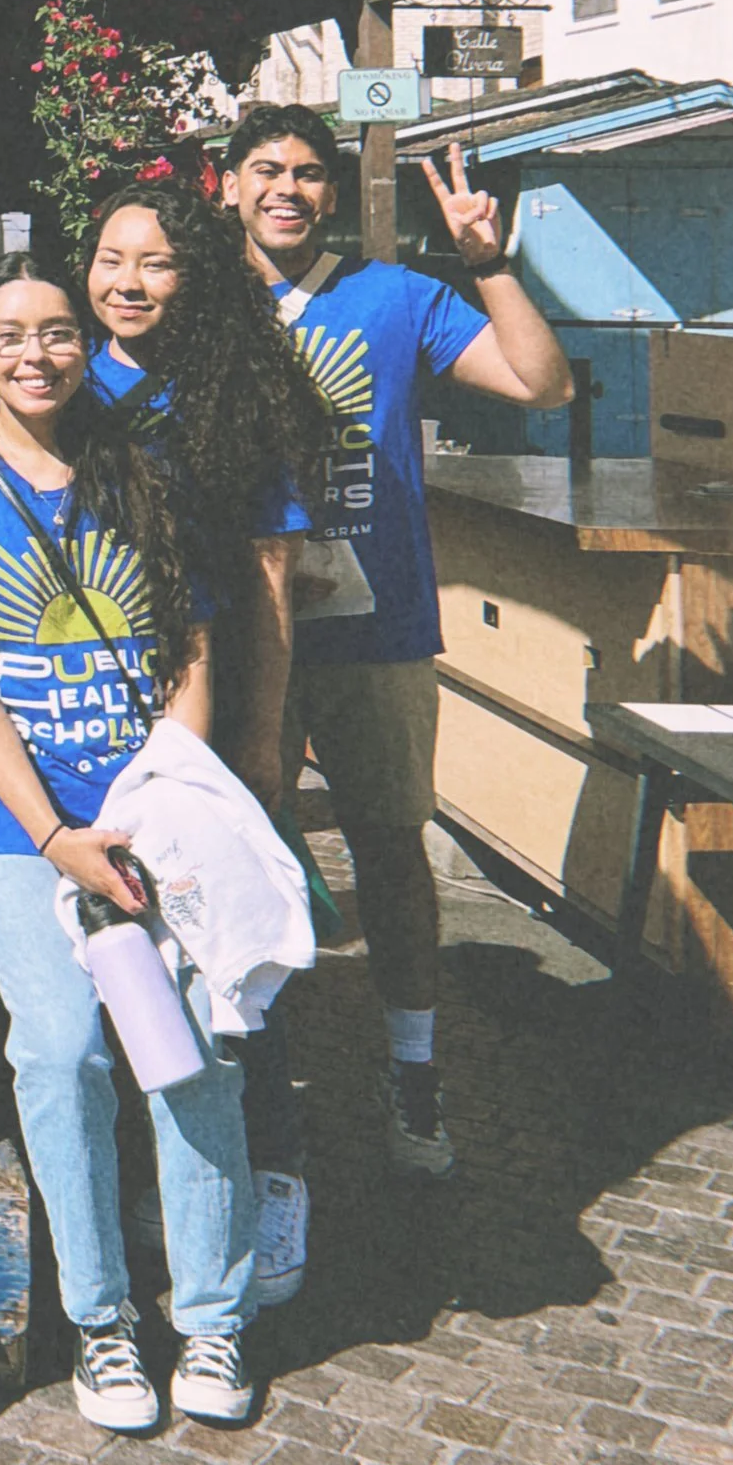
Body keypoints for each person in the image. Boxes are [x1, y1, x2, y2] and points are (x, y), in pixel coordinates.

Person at [0, 252, 258, 1435]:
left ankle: (211, 1317)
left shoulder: (147, 470)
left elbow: (189, 649)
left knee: (194, 1043)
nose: (34, 354)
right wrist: (56, 835)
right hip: (19, 826)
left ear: (82, 341)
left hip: (151, 816)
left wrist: (156, 806)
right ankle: (100, 1320)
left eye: (54, 331)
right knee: (60, 1052)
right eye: (6, 335)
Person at [225, 106, 572, 1179]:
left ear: (332, 192)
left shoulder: (395, 296)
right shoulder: (198, 303)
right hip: (240, 629)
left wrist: (491, 266)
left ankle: (413, 1070)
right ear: (227, 185)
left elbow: (538, 384)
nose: (286, 188)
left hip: (375, 629)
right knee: (234, 858)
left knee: (386, 847)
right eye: (266, 169)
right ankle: (251, 1086)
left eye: (308, 173)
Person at [83, 178, 333, 1304]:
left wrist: (270, 739)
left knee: (225, 946)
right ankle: (161, 1172)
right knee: (128, 942)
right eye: (110, 259)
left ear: (197, 274)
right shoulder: (62, 376)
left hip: (217, 698)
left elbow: (274, 589)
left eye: (155, 262)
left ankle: (271, 1170)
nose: (126, 283)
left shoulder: (242, 393)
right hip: (92, 700)